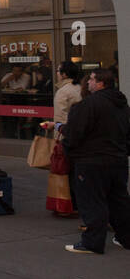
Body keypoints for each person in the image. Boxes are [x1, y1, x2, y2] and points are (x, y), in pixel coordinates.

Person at [61, 69, 130, 254]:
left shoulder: (87, 105)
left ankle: (92, 242)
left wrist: (69, 151)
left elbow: (73, 135)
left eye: (91, 79)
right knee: (119, 202)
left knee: (93, 202)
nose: (88, 82)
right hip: (118, 160)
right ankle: (126, 238)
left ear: (100, 83)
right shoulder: (122, 105)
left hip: (91, 162)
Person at [42, 61, 84, 218]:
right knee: (77, 171)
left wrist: (57, 133)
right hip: (81, 136)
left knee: (65, 172)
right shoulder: (81, 89)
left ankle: (69, 204)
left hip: (67, 136)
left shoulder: (62, 92)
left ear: (64, 74)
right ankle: (78, 203)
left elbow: (60, 117)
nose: (57, 73)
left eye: (59, 71)